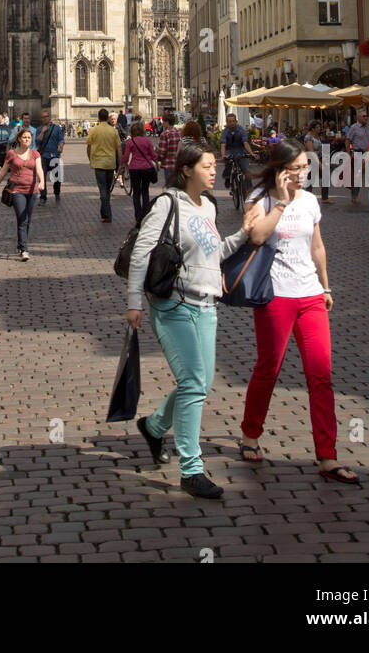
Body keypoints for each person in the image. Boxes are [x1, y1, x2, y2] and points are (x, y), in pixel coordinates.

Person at [127, 144, 263, 498]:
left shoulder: (210, 206)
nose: (214, 170)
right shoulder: (168, 203)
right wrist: (133, 302)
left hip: (207, 305)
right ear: (186, 169)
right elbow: (142, 251)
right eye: (207, 165)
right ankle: (191, 468)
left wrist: (244, 233)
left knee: (198, 384)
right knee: (192, 383)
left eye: (215, 165)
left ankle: (154, 427)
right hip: (173, 305)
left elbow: (214, 253)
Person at [238, 139, 358, 483]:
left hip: (309, 296)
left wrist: (326, 285)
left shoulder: (309, 202)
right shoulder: (260, 200)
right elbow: (256, 238)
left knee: (321, 374)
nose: (303, 174)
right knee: (268, 368)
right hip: (275, 295)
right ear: (280, 169)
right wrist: (281, 204)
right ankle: (250, 432)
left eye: (306, 167)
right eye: (296, 168)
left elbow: (316, 244)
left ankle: (327, 455)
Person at [0, 127, 44, 260]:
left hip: (32, 190)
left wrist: (42, 181)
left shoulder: (35, 154)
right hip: (17, 190)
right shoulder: (12, 154)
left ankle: (20, 245)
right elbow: (3, 171)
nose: (27, 140)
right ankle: (24, 249)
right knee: (22, 218)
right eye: (24, 137)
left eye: (29, 138)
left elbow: (39, 169)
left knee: (27, 220)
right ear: (19, 139)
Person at [86, 108, 122, 223]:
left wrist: (90, 159)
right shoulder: (113, 131)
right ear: (107, 118)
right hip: (110, 163)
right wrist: (120, 164)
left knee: (103, 189)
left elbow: (89, 147)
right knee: (106, 189)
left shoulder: (93, 130)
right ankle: (105, 213)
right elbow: (119, 149)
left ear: (98, 117)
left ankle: (107, 215)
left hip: (98, 163)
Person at [121, 118, 158, 223]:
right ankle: (145, 215)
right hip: (146, 168)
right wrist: (157, 163)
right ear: (142, 131)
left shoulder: (130, 142)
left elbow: (126, 156)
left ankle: (138, 216)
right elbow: (153, 155)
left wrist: (123, 165)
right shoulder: (147, 141)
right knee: (145, 191)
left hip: (134, 169)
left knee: (136, 193)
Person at [36, 107, 65, 202]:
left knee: (57, 178)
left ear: (49, 117)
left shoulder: (56, 128)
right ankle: (43, 197)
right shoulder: (39, 129)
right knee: (42, 177)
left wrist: (60, 146)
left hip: (55, 156)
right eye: (42, 117)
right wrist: (43, 132)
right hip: (43, 156)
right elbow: (37, 142)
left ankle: (57, 192)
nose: (44, 119)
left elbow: (61, 139)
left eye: (46, 117)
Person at [344, 108, 369, 204]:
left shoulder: (366, 127)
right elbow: (348, 140)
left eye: (366, 116)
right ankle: (354, 196)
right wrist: (348, 154)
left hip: (367, 154)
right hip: (358, 154)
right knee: (357, 176)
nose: (366, 118)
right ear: (359, 117)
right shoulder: (354, 127)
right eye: (364, 116)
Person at [220, 112, 255, 187]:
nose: (232, 123)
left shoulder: (241, 130)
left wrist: (251, 153)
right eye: (230, 121)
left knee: (246, 170)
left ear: (236, 121)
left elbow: (245, 143)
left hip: (241, 150)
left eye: (233, 121)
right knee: (228, 163)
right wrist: (223, 155)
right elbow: (223, 144)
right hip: (230, 150)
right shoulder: (225, 132)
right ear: (227, 122)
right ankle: (227, 177)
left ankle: (249, 190)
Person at [156, 110, 181, 180]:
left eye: (163, 121)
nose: (162, 123)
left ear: (167, 122)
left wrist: (156, 159)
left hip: (168, 165)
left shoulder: (164, 134)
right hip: (178, 164)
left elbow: (162, 153)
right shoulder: (179, 132)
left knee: (170, 187)